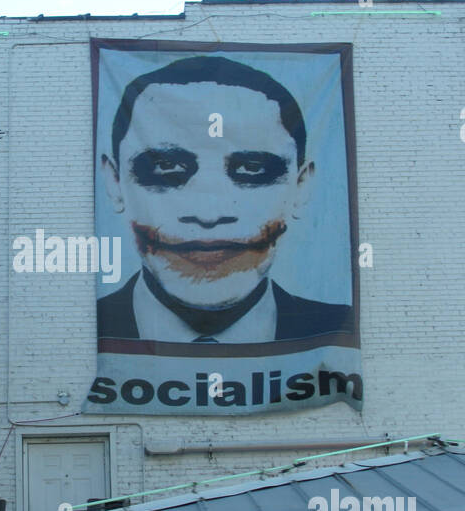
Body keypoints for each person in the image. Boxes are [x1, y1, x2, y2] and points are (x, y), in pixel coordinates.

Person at [97, 55, 352, 343]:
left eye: (252, 169)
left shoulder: (338, 332)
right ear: (114, 182)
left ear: (301, 185)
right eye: (166, 168)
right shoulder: (78, 331)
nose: (209, 214)